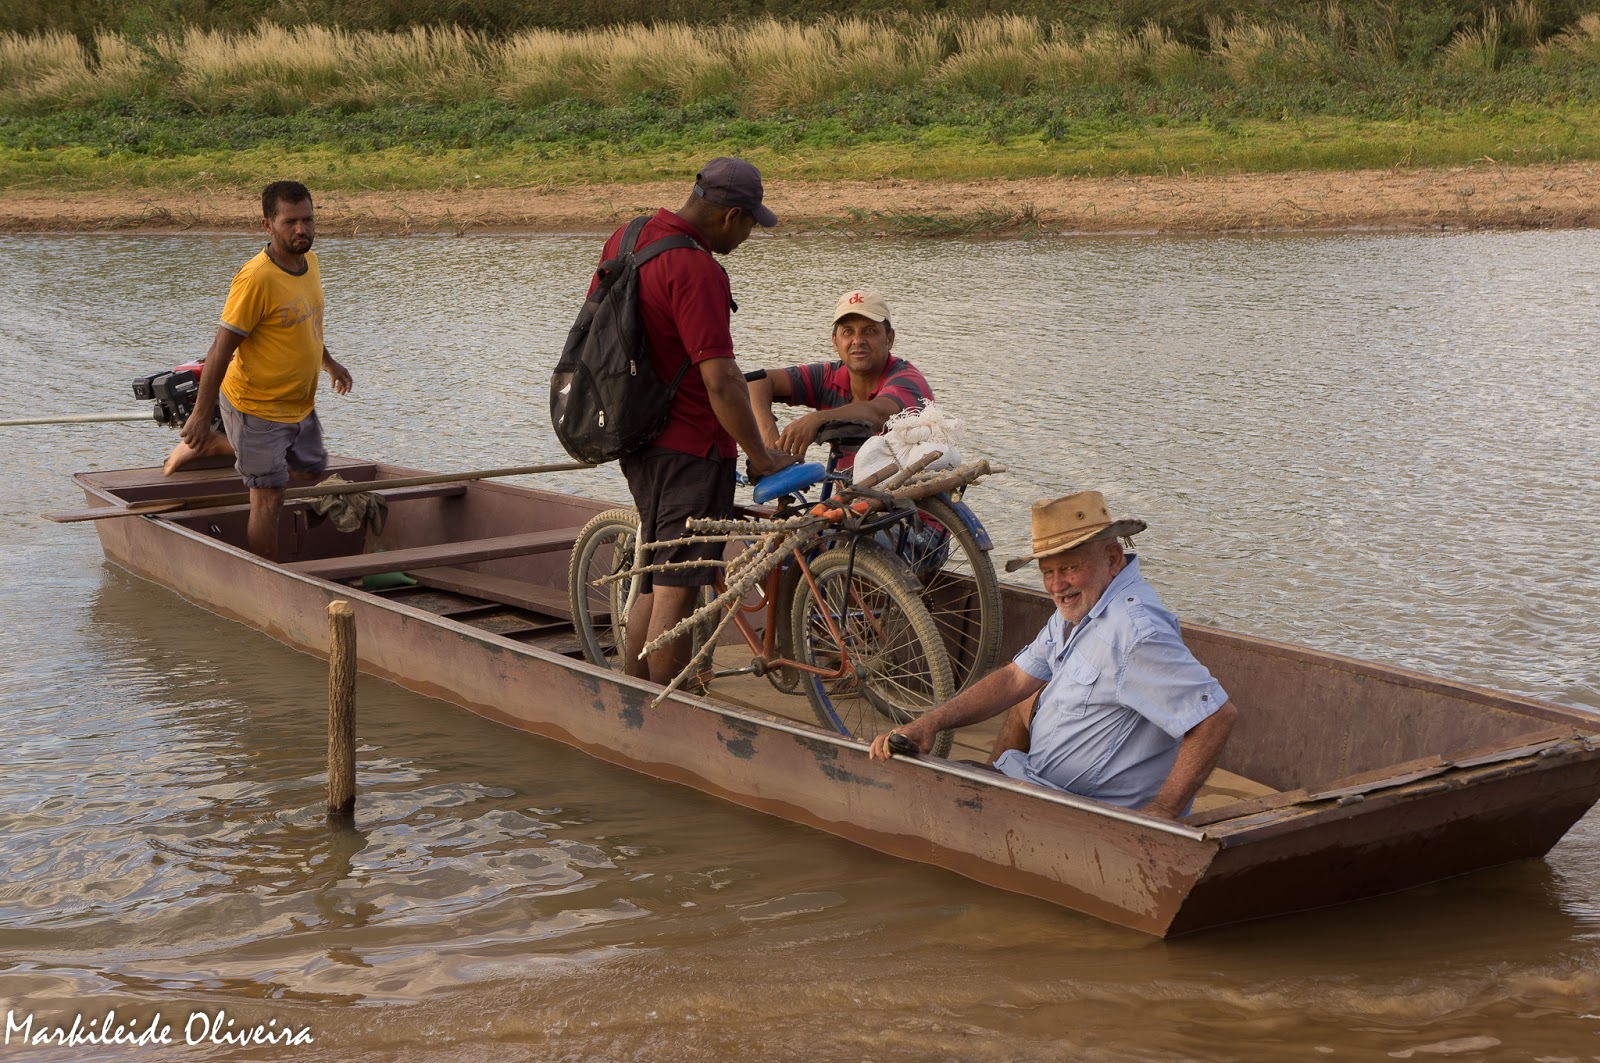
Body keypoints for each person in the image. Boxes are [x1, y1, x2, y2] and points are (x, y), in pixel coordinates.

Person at [868, 491, 1237, 820]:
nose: (1056, 586)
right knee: (1026, 697)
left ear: (1112, 558)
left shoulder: (1134, 631)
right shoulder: (1080, 610)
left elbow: (1215, 716)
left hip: (1081, 812)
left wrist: (1162, 813)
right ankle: (992, 785)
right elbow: (1015, 678)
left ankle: (988, 802)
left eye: (1070, 568)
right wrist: (931, 722)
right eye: (1048, 572)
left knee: (902, 800)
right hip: (1032, 778)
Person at [597, 157, 794, 687]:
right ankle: (668, 715)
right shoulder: (698, 270)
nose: (750, 234)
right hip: (690, 448)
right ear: (731, 217)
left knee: (653, 578)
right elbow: (722, 381)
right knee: (676, 588)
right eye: (751, 223)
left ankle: (633, 700)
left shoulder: (629, 236)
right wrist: (760, 453)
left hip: (634, 436)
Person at [181, 180, 352, 561]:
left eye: (308, 220)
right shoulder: (256, 279)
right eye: (290, 222)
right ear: (267, 226)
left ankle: (219, 446)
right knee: (268, 498)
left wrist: (330, 363)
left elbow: (305, 323)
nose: (301, 230)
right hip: (255, 406)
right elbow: (220, 350)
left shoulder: (310, 262)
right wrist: (199, 416)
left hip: (298, 403)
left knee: (310, 472)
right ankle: (268, 576)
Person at [746, 289, 933, 466]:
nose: (858, 341)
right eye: (847, 332)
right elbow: (757, 381)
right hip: (848, 494)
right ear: (835, 341)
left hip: (905, 493)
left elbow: (879, 412)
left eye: (870, 331)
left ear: (889, 339)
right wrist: (769, 439)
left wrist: (816, 419)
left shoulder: (907, 379)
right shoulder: (828, 376)